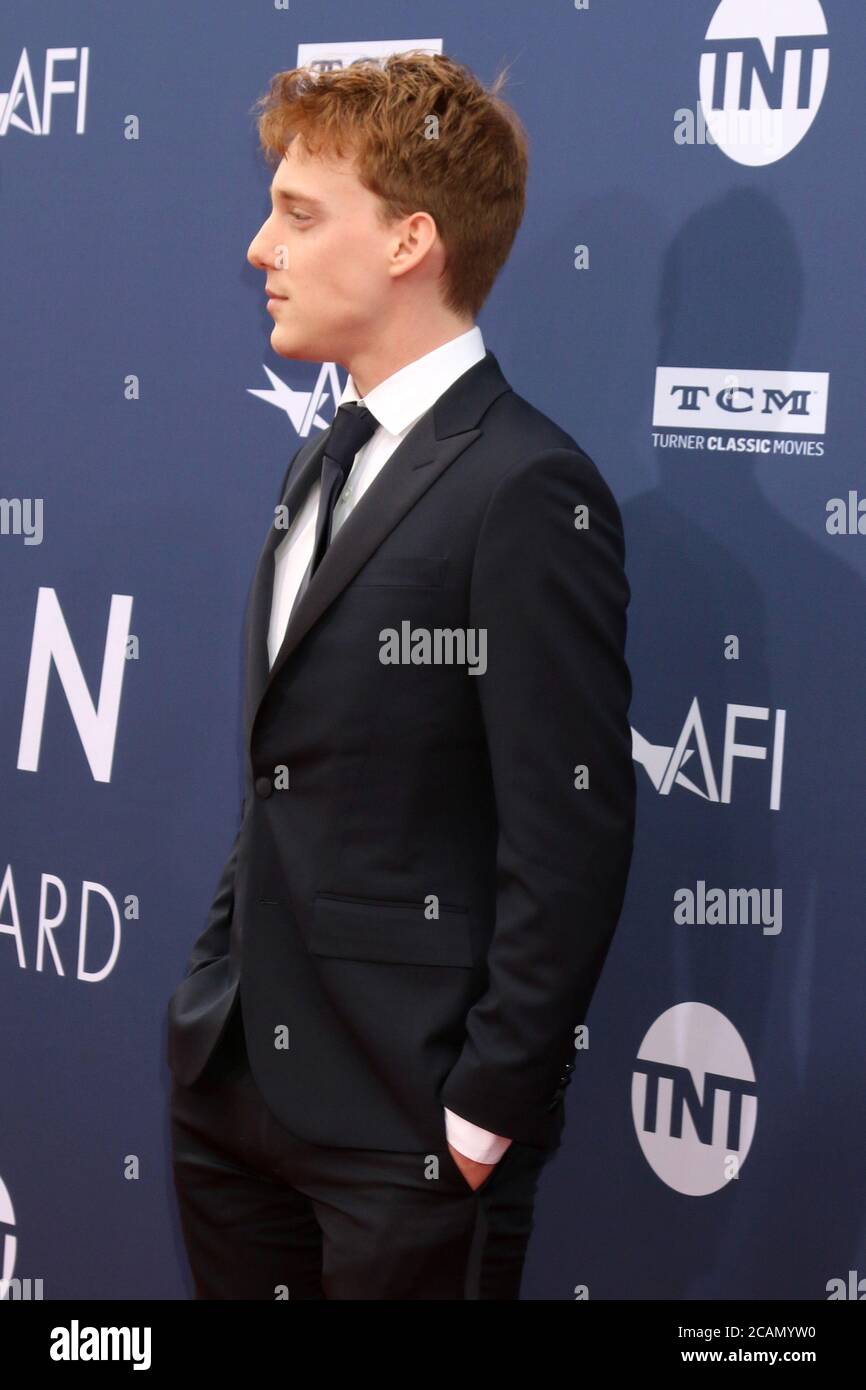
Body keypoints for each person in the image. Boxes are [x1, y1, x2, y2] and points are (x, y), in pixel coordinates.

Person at [167, 49, 635, 1300]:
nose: (258, 248)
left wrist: (482, 1111)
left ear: (408, 243)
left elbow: (569, 829)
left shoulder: (525, 490)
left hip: (407, 1128)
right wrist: (210, 1002)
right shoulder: (318, 460)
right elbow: (288, 774)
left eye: (298, 214)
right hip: (238, 1091)